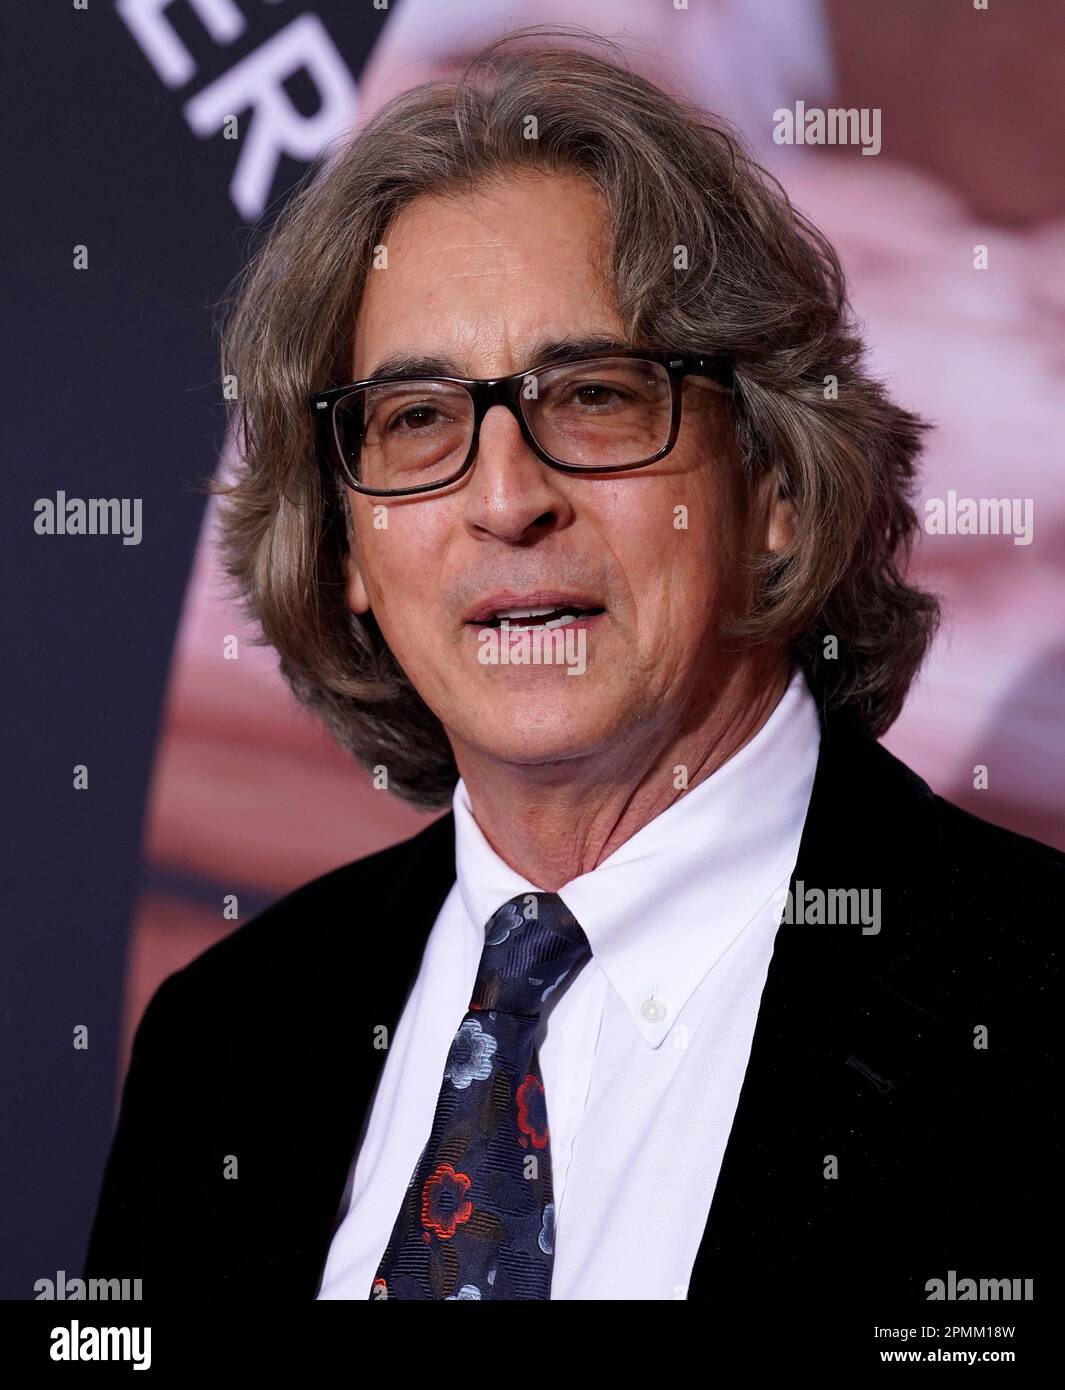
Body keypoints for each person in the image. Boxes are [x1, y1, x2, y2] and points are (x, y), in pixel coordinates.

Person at [85, 33, 1059, 1309]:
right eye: (418, 419)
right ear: (349, 553)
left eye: (593, 395)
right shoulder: (224, 1040)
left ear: (771, 478)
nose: (504, 498)